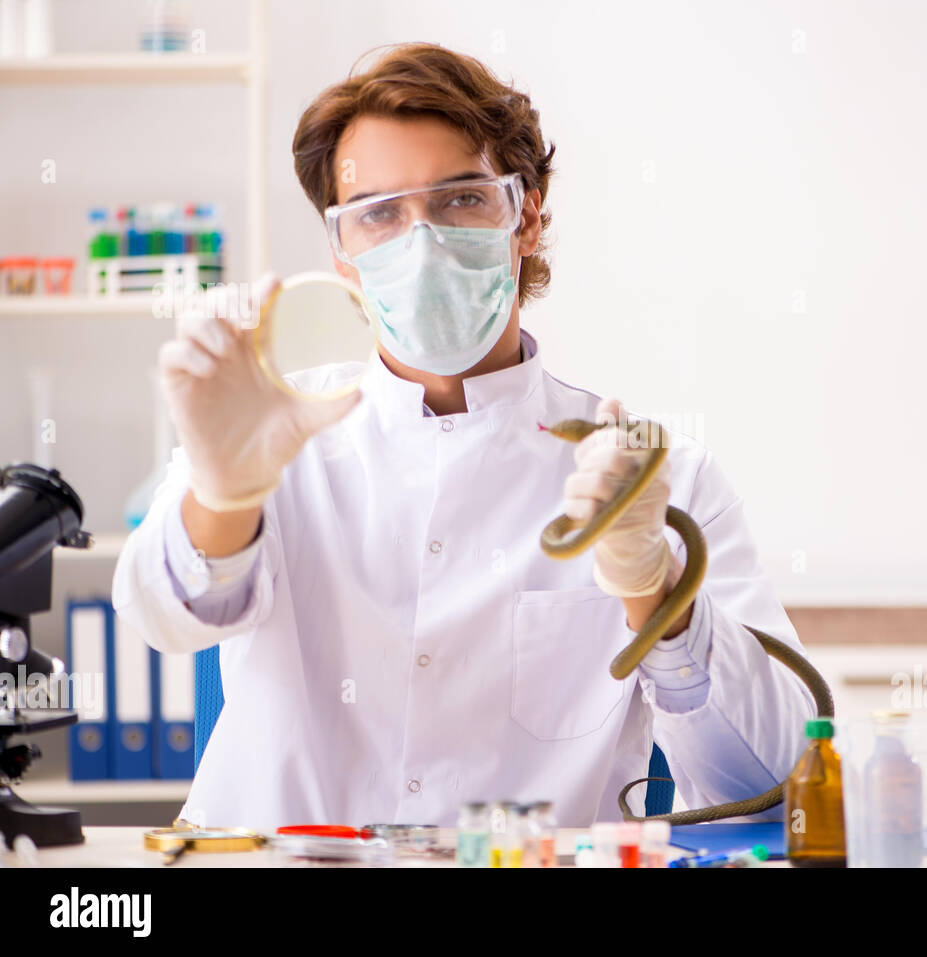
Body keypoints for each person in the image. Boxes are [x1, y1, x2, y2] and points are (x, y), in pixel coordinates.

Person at [111, 42, 815, 832]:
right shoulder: (271, 432)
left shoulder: (656, 479)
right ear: (343, 255)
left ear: (527, 214)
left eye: (460, 201)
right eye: (379, 213)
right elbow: (158, 619)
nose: (422, 243)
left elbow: (779, 781)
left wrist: (657, 591)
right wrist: (223, 495)